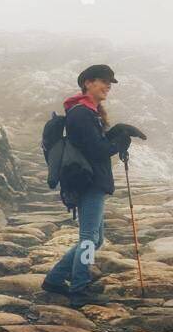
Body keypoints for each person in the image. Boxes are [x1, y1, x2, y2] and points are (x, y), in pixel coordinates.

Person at [42, 64, 132, 309]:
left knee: (95, 239)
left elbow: (92, 144)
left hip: (90, 181)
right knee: (88, 239)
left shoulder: (87, 112)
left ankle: (55, 279)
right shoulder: (82, 113)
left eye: (110, 83)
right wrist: (119, 142)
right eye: (104, 82)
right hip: (89, 183)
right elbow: (96, 150)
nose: (108, 87)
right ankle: (80, 288)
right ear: (88, 83)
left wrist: (115, 134)